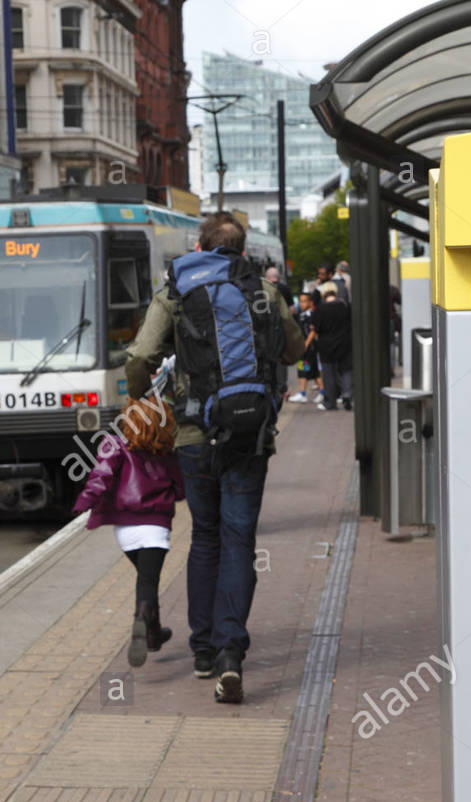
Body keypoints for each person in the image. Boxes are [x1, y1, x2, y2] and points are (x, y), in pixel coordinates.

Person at [124, 211, 305, 704]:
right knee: (239, 538)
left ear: (202, 246)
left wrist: (141, 396)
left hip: (193, 433)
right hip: (250, 433)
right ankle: (231, 653)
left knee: (204, 536)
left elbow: (139, 357)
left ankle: (201, 651)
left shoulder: (177, 289)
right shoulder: (263, 291)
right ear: (242, 249)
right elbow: (293, 351)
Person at [73, 394, 184, 668]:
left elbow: (101, 476)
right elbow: (180, 490)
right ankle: (142, 618)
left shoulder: (113, 445)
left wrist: (84, 502)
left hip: (125, 531)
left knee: (146, 579)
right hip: (155, 528)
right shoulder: (167, 452)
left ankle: (154, 633)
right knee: (148, 582)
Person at [313, 290, 354, 411]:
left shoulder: (320, 309)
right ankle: (347, 394)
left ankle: (330, 402)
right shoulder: (345, 307)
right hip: (344, 343)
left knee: (328, 374)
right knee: (346, 370)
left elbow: (316, 327)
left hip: (326, 345)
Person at [289, 290, 323, 405]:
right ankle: (321, 392)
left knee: (304, 370)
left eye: (304, 301)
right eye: (300, 301)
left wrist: (306, 344)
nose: (302, 304)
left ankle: (304, 393)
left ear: (310, 302)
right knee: (311, 371)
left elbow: (313, 331)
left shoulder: (311, 315)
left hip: (309, 348)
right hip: (305, 348)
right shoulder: (301, 315)